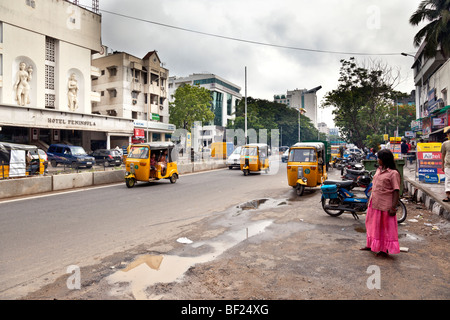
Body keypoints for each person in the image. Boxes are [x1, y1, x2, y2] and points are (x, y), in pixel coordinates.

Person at [360, 149, 401, 256]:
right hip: (374, 203)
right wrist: (369, 199)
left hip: (385, 206)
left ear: (384, 159)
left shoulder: (393, 173)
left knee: (384, 228)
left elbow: (396, 190)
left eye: (379, 158)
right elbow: (374, 186)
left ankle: (384, 249)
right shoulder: (379, 170)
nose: (377, 160)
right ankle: (371, 245)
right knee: (371, 225)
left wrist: (393, 207)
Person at [440, 128, 450, 202]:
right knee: (448, 179)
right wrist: (442, 165)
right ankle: (448, 195)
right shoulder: (445, 144)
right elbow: (443, 155)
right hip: (448, 165)